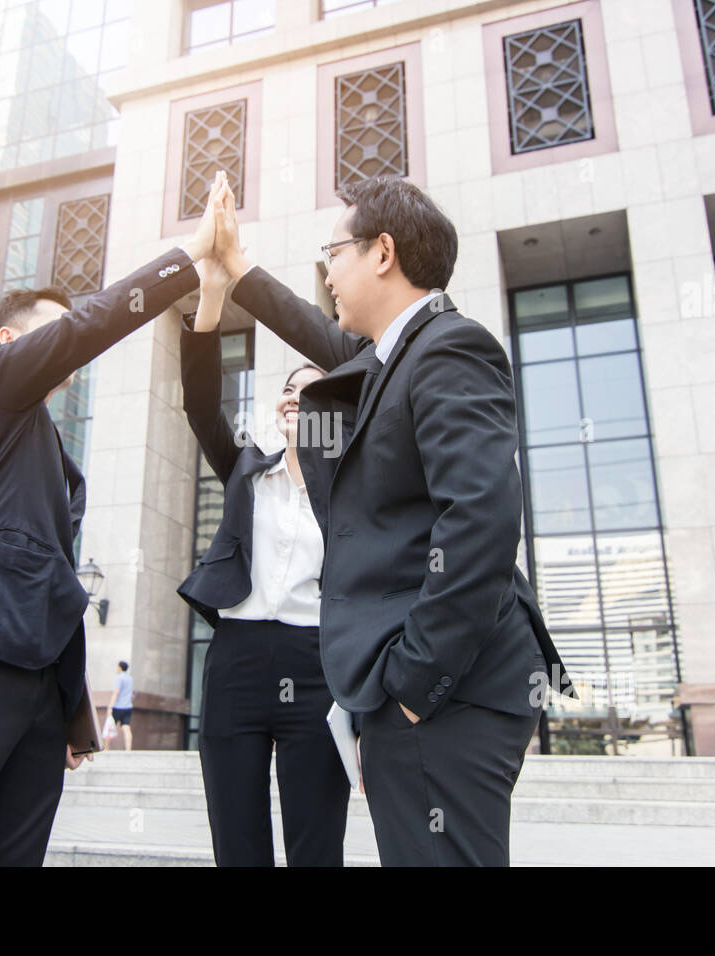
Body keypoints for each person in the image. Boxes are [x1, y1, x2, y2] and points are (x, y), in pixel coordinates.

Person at [205, 170, 575, 866]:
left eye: (333, 253)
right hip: (428, 693)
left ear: (382, 252)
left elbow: (482, 525)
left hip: (446, 692)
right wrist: (235, 268)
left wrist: (410, 685)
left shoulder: (449, 348)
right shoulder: (395, 356)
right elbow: (316, 331)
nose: (328, 272)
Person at [0, 182, 223, 867]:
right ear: (9, 340)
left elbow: (55, 578)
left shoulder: (55, 459)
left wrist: (67, 710)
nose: (71, 346)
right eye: (54, 328)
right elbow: (85, 326)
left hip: (35, 693)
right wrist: (192, 253)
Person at [175, 251, 351, 867]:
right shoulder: (246, 471)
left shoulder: (352, 490)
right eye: (287, 390)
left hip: (316, 666)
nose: (294, 398)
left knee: (316, 838)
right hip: (237, 662)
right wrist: (213, 300)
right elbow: (201, 407)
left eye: (311, 391)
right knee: (237, 839)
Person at [105, 660, 133, 751]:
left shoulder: (119, 678)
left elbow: (116, 692)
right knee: (126, 727)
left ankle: (106, 748)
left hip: (118, 707)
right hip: (128, 707)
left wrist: (110, 706)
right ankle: (128, 749)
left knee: (110, 726)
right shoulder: (130, 678)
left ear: (120, 668)